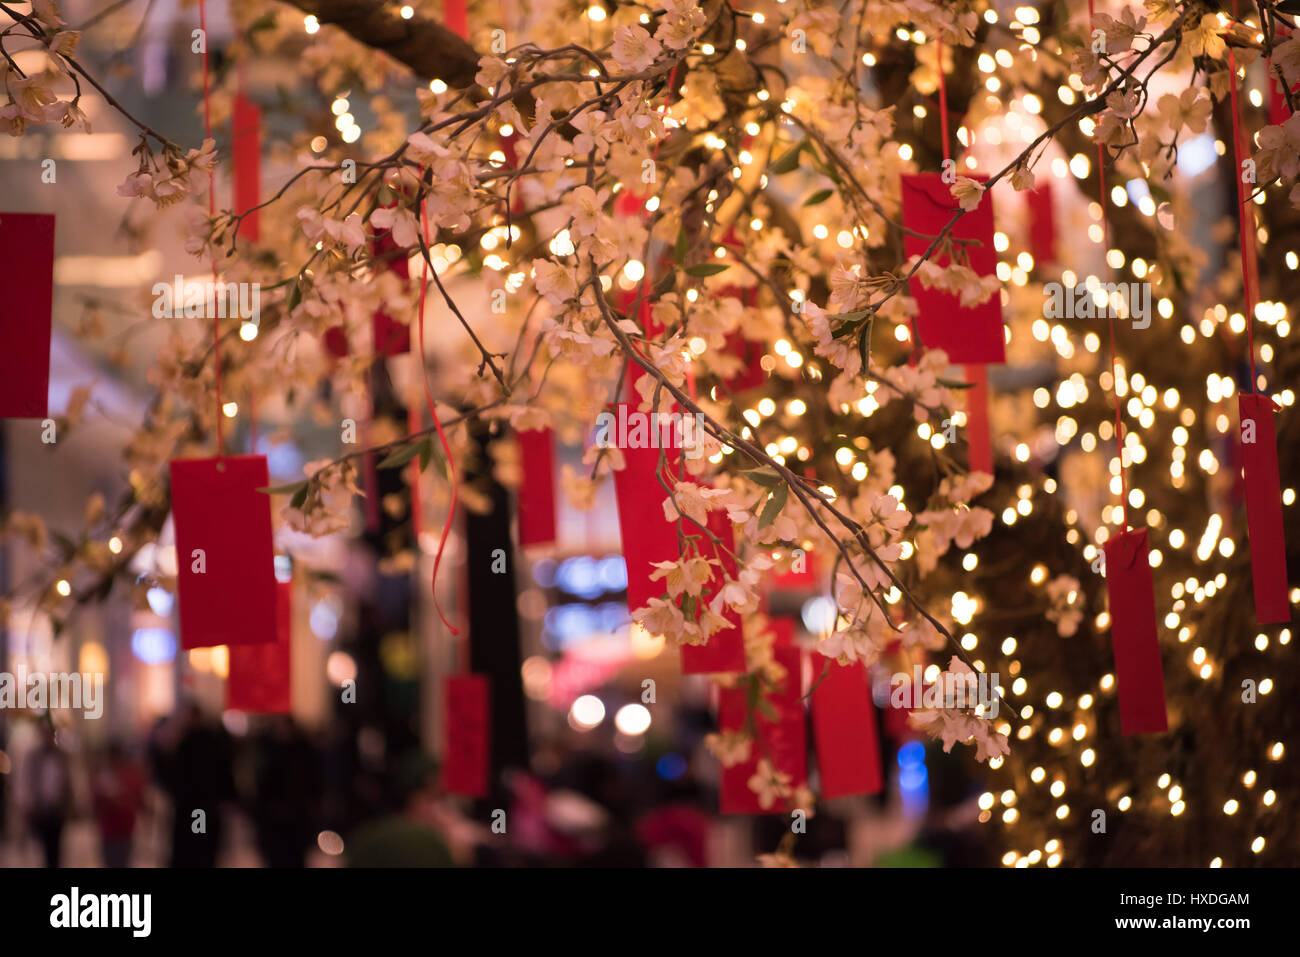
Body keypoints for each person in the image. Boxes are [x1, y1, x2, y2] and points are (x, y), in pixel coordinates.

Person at [150, 702, 235, 868]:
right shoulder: (193, 741)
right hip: (195, 808)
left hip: (199, 809)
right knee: (196, 847)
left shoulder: (201, 742)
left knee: (197, 845)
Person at [25, 721, 73, 868]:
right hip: (41, 808)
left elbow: (69, 780)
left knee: (56, 845)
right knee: (43, 845)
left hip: (57, 808)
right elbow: (28, 781)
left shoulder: (62, 757)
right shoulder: (34, 757)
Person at [91, 742, 146, 868]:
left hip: (124, 829)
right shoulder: (102, 775)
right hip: (109, 829)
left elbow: (137, 798)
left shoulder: (129, 775)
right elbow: (96, 802)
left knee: (122, 860)